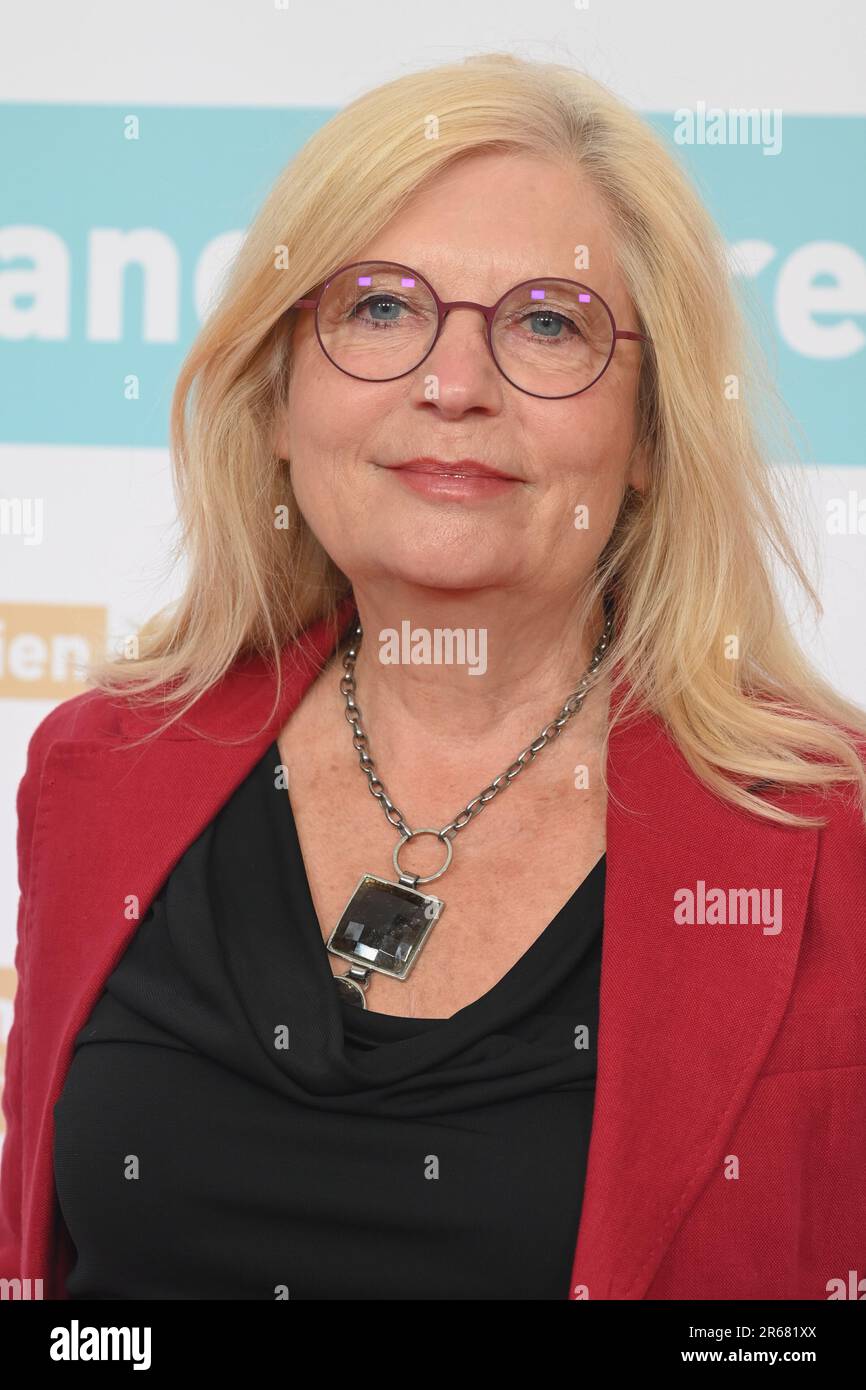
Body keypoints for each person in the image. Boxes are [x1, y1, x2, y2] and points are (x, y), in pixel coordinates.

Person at [3, 52, 866, 1302]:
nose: (452, 386)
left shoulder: (829, 833)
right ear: (279, 391)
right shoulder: (101, 768)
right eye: (380, 307)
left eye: (547, 323)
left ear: (646, 436)